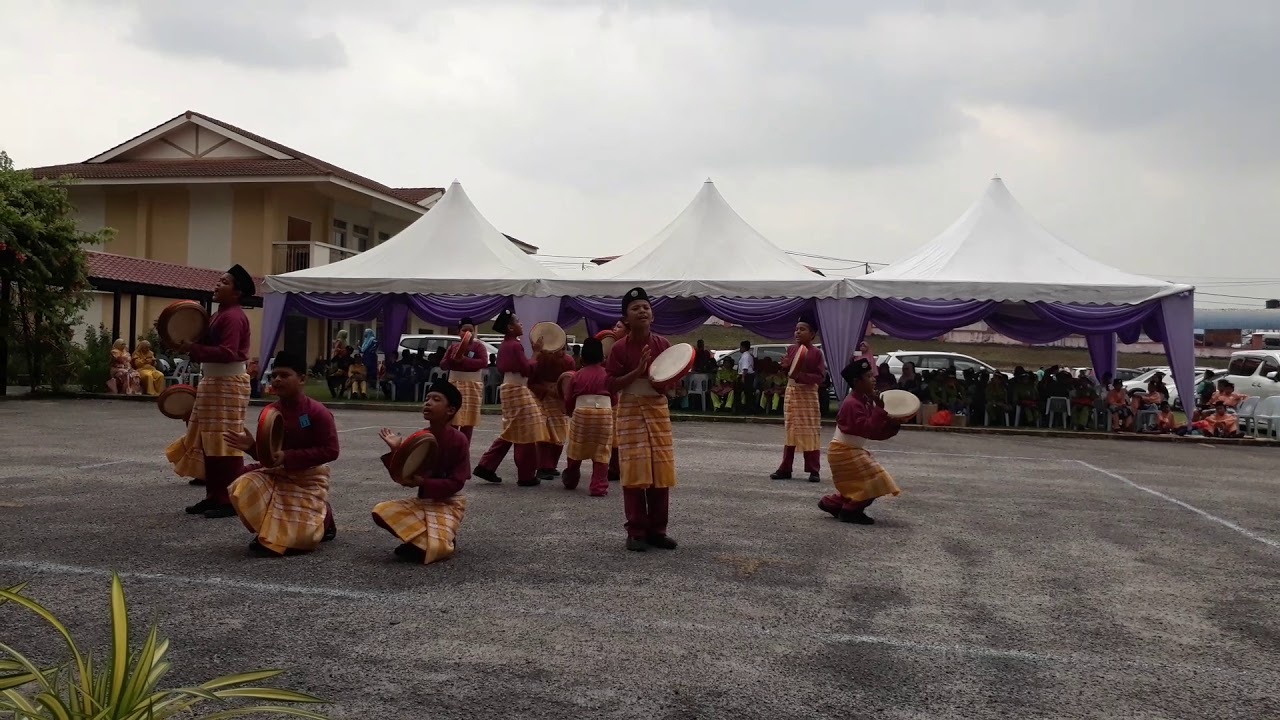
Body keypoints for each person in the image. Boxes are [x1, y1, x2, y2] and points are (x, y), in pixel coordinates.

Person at [221, 351, 339, 556]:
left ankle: (325, 518)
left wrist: (288, 457)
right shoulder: (270, 412)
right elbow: (270, 457)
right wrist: (252, 448)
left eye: (284, 375)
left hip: (307, 478)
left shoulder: (317, 412)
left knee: (302, 539)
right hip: (277, 473)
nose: (276, 380)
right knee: (243, 484)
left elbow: (331, 451)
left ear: (302, 379)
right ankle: (269, 531)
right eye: (274, 375)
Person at [166, 264, 254, 518]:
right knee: (209, 441)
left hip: (228, 383)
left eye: (225, 282)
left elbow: (227, 353)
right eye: (219, 280)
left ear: (237, 293)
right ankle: (214, 496)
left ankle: (229, 499)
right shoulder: (218, 315)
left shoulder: (233, 317)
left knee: (225, 442)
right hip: (214, 381)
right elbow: (203, 345)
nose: (217, 284)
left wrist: (193, 348)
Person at [606, 287, 678, 552]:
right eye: (635, 308)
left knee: (660, 470)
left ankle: (658, 530)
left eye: (646, 307)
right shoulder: (618, 348)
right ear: (626, 318)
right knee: (635, 471)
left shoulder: (663, 345)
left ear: (653, 315)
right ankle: (635, 531)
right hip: (630, 409)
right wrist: (637, 371)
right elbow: (610, 384)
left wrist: (667, 385)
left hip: (657, 408)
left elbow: (670, 382)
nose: (642, 311)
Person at [372, 380, 471, 564]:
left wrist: (424, 483)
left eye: (436, 399)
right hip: (423, 502)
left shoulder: (459, 440)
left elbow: (457, 482)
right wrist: (396, 450)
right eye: (427, 399)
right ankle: (425, 542)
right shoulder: (420, 437)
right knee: (381, 511)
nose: (428, 403)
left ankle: (426, 542)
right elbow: (404, 476)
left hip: (448, 503)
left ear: (450, 410)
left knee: (437, 548)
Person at [818, 357, 901, 525]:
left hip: (847, 450)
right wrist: (880, 409)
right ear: (857, 382)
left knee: (855, 485)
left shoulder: (864, 401)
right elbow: (867, 429)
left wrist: (893, 424)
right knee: (877, 480)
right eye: (869, 376)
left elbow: (875, 432)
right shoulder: (852, 404)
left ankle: (833, 503)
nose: (874, 379)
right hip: (844, 451)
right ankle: (850, 511)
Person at [474, 309, 549, 486]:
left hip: (510, 387)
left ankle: (486, 466)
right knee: (527, 430)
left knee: (512, 431)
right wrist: (536, 354)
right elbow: (526, 370)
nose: (520, 324)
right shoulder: (515, 345)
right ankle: (526, 475)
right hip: (517, 388)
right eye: (517, 321)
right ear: (510, 327)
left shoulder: (506, 344)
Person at [771, 315, 826, 482]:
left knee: (810, 431)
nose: (797, 332)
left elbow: (820, 377)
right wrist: (786, 367)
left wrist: (800, 376)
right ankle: (785, 469)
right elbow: (789, 371)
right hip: (792, 393)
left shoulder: (817, 353)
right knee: (791, 431)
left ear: (812, 334)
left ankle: (814, 470)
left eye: (802, 329)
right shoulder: (791, 349)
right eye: (796, 329)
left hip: (808, 395)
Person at [562, 338, 615, 497]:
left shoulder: (577, 375)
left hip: (582, 412)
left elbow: (569, 399)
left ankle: (571, 479)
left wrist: (569, 412)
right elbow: (614, 398)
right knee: (602, 449)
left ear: (583, 358)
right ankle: (598, 486)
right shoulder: (608, 375)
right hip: (604, 412)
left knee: (576, 446)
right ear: (602, 357)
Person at [440, 317, 488, 443]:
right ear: (458, 332)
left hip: (472, 386)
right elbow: (443, 365)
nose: (468, 333)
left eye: (471, 330)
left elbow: (483, 362)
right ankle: (451, 446)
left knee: (468, 421)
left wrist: (464, 360)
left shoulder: (478, 347)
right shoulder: (453, 347)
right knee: (453, 418)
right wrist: (451, 358)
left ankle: (464, 447)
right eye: (464, 330)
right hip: (454, 385)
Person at [531, 344, 576, 480]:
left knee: (560, 434)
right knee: (545, 434)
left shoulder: (569, 361)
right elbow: (531, 381)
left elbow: (571, 379)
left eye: (564, 349)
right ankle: (542, 467)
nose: (561, 352)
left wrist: (564, 392)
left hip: (559, 401)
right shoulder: (541, 359)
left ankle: (551, 466)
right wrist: (547, 391)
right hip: (544, 399)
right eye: (558, 349)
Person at [735, 340, 756, 414]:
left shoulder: (745, 356)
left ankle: (745, 408)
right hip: (748, 375)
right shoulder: (748, 355)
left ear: (744, 347)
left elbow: (745, 368)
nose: (740, 348)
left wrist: (743, 377)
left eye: (741, 347)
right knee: (747, 393)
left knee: (743, 392)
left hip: (746, 375)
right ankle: (748, 408)